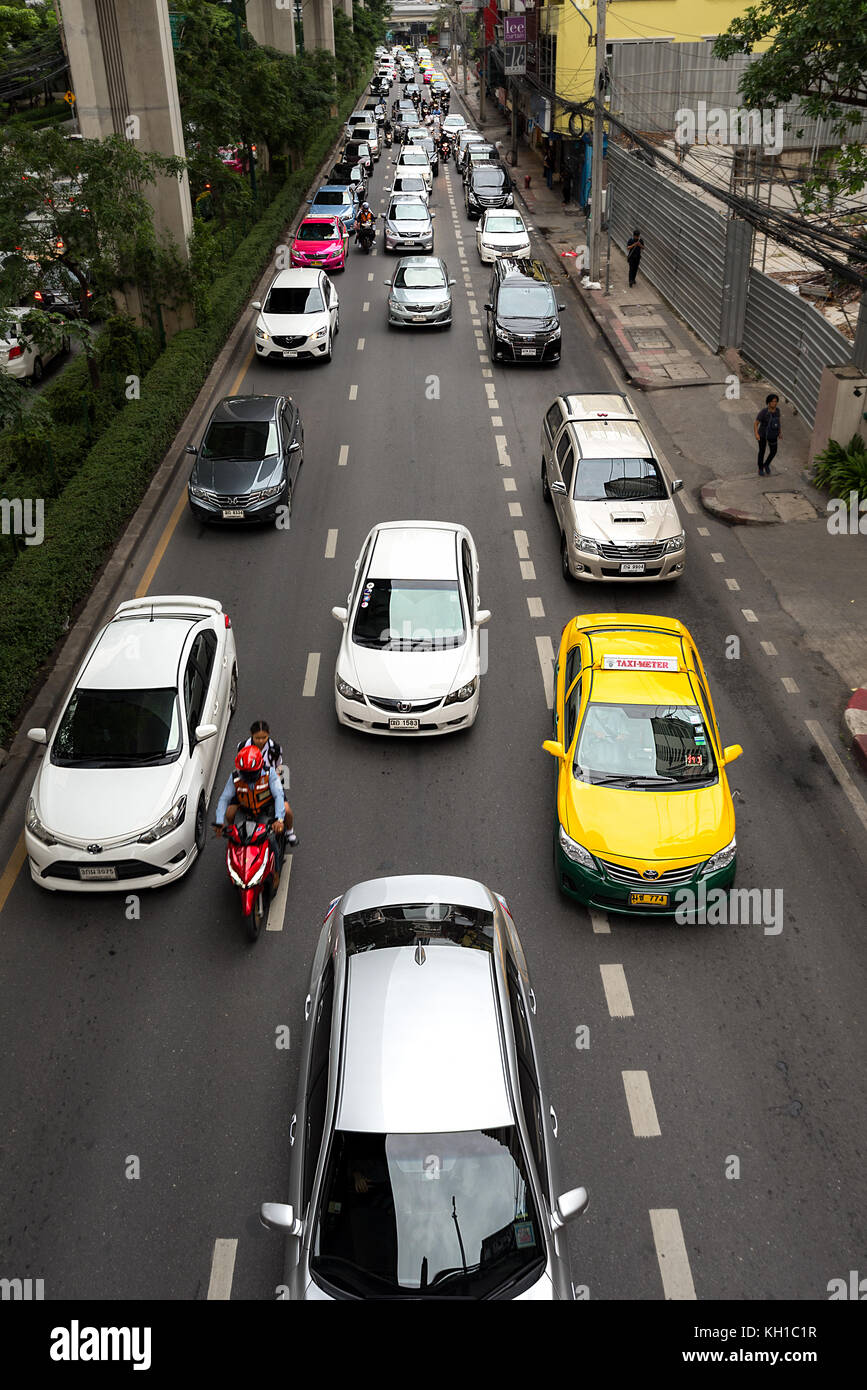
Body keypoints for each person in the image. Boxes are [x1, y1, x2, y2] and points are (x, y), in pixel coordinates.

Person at [214, 745, 286, 890]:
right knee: (237, 839)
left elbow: (278, 796)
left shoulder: (270, 774)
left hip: (265, 812)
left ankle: (277, 871)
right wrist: (219, 821)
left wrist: (279, 819)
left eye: (251, 773)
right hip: (245, 811)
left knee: (270, 840)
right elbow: (224, 799)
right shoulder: (235, 777)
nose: (248, 777)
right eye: (245, 773)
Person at [236, 719, 297, 845]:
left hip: (270, 781)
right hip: (249, 781)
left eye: (264, 737)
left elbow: (280, 767)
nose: (260, 741)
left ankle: (290, 832)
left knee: (287, 810)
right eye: (257, 738)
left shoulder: (275, 749)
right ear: (251, 735)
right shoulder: (242, 747)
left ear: (269, 734)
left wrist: (280, 789)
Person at [754, 393, 782, 475]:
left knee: (774, 451)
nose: (775, 403)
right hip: (762, 435)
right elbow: (756, 423)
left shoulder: (777, 411)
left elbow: (778, 422)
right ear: (768, 402)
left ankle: (766, 465)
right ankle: (760, 468)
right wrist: (756, 434)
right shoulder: (764, 412)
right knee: (762, 451)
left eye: (776, 401)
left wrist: (780, 432)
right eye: (773, 401)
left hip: (773, 434)